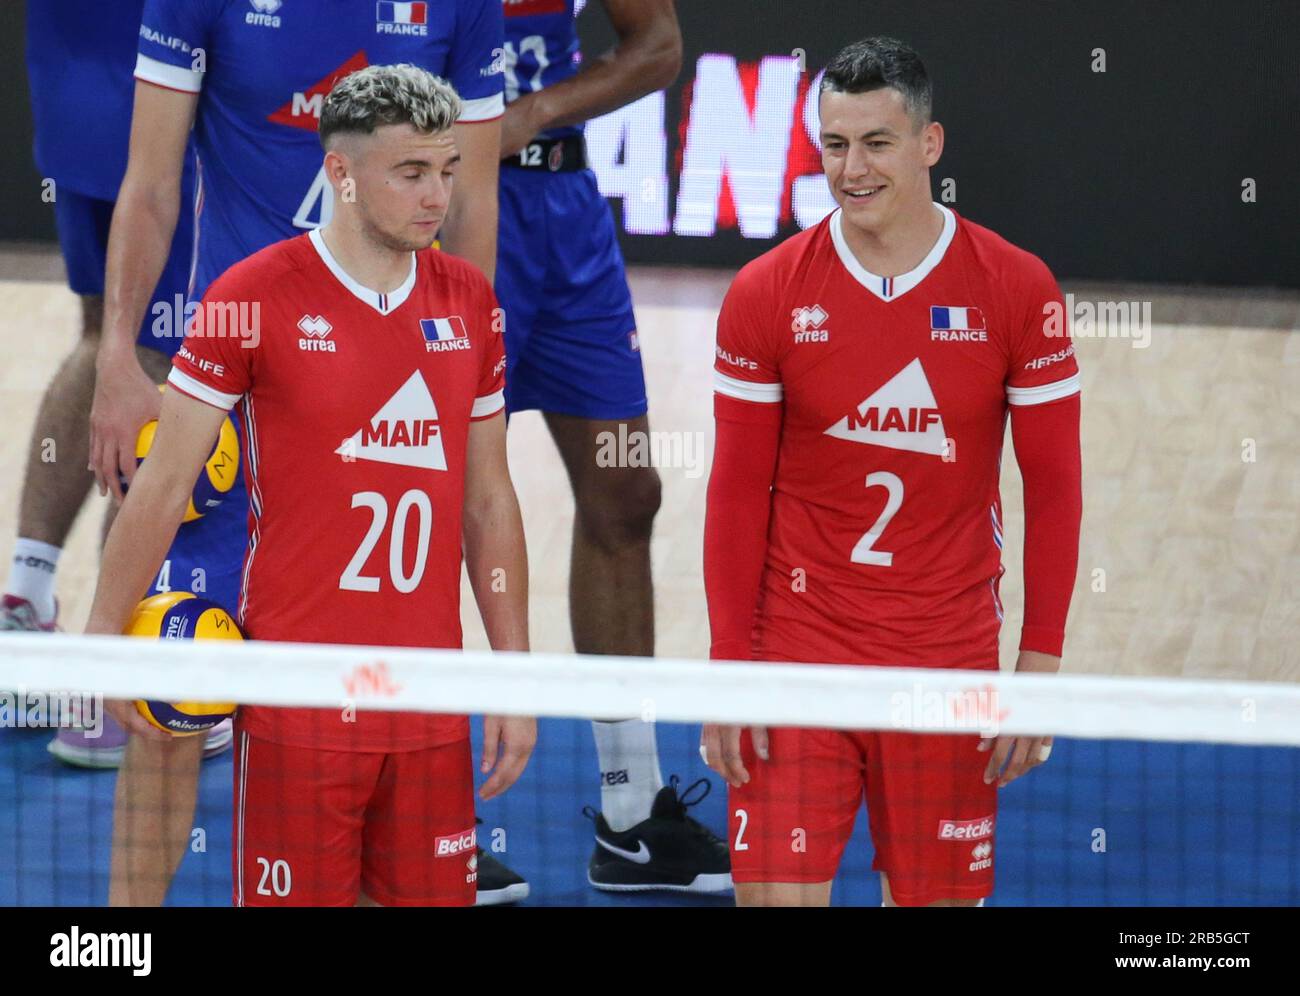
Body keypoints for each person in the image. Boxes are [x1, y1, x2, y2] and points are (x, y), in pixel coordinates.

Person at [89, 0, 528, 904]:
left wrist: (464, 347)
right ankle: (119, 942)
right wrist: (115, 355)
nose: (436, 193)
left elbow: (489, 498)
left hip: (406, 632)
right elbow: (149, 181)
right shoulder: (250, 295)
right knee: (169, 715)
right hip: (241, 392)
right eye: (414, 173)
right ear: (346, 173)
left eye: (439, 171)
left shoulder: (462, 301)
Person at [701, 36, 1082, 907]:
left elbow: (1054, 488)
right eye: (834, 144)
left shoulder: (1016, 289)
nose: (851, 168)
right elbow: (733, 493)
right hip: (797, 650)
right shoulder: (767, 293)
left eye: (876, 143)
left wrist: (1041, 669)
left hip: (945, 658)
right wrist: (726, 668)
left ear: (929, 145)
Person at [495, 0, 728, 893]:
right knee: (439, 503)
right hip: (455, 208)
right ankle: (427, 819)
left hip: (563, 209)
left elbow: (658, 44)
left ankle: (631, 819)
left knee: (627, 496)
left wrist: (534, 112)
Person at [4, 0, 240, 768]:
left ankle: (26, 597)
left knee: (108, 338)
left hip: (74, 94)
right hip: (163, 100)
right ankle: (124, 670)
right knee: (161, 361)